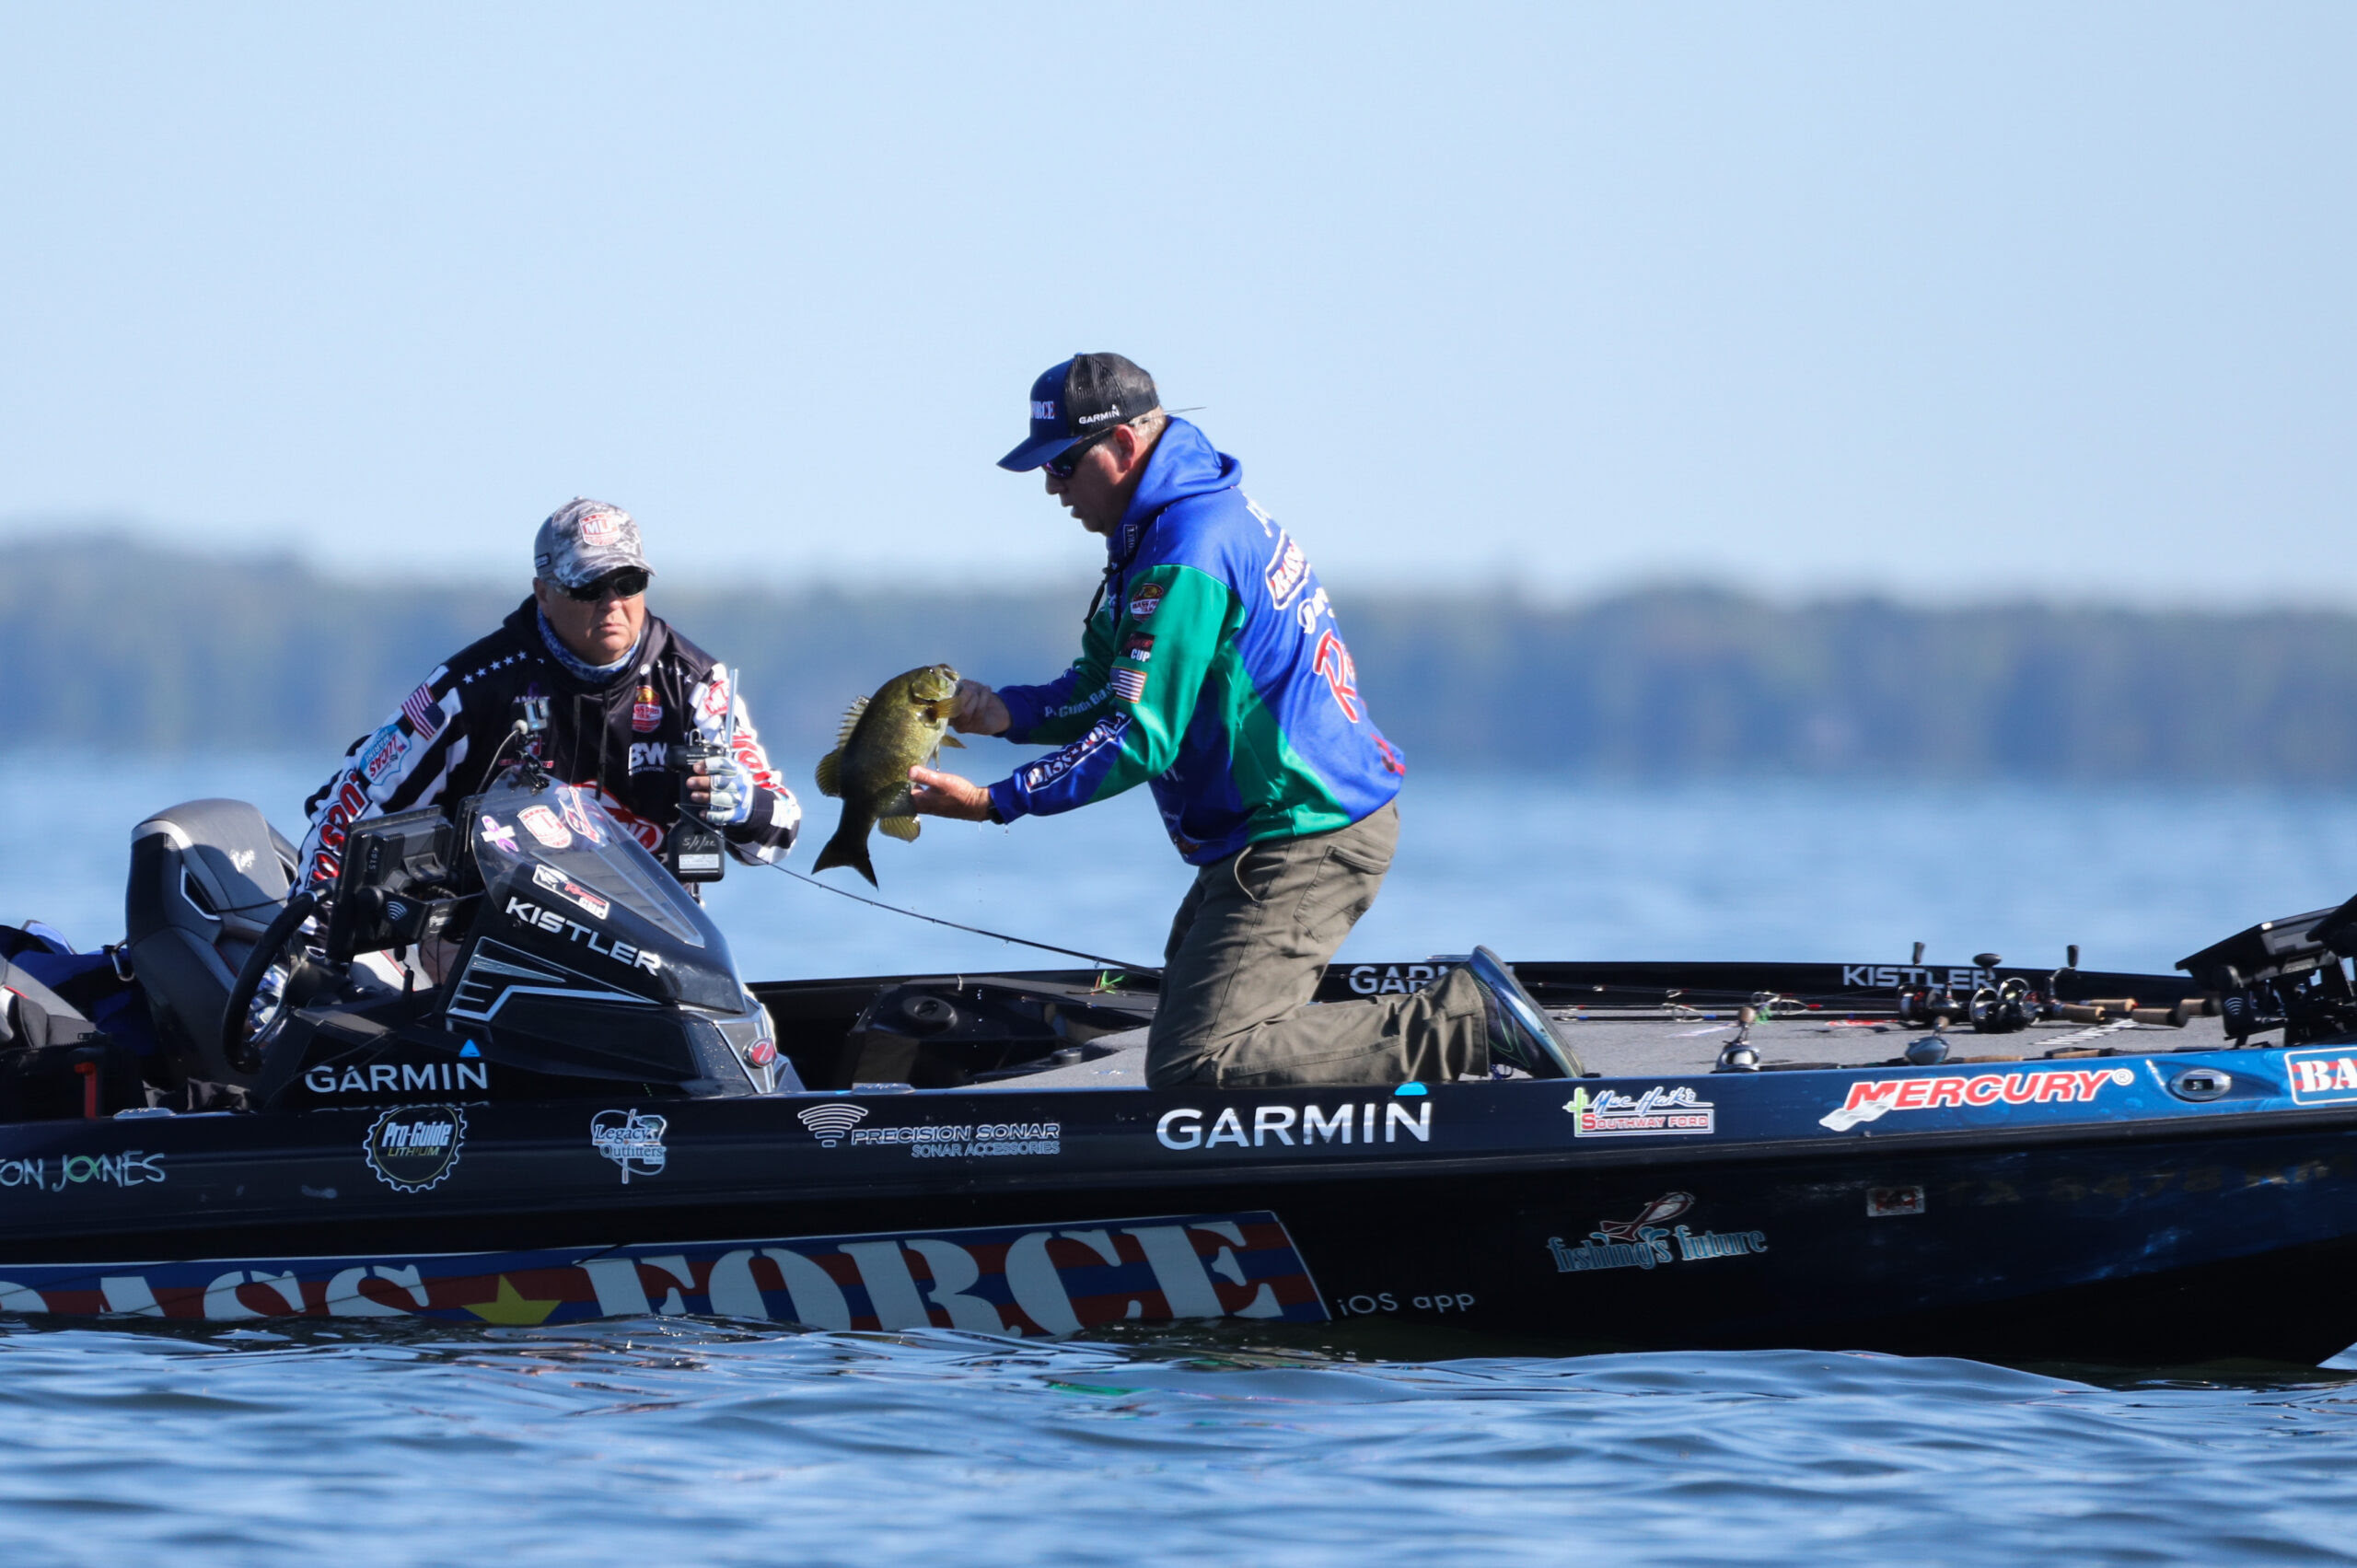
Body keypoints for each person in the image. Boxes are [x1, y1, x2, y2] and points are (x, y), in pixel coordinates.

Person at [905, 354, 1578, 1087]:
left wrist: (995, 800)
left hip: (1305, 833)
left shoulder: (1188, 549)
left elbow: (1140, 733)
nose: (1050, 486)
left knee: (1199, 1066)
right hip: (1277, 827)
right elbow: (1107, 681)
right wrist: (1007, 712)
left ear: (1125, 446)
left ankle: (1468, 1024)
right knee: (1191, 1038)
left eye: (1063, 463)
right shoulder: (1173, 523)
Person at [296, 498, 799, 894]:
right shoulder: (471, 687)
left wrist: (744, 806)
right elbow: (348, 808)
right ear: (543, 593)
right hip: (491, 942)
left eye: (628, 583)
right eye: (588, 587)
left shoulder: (696, 683)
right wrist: (305, 955)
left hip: (653, 946)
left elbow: (779, 833)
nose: (612, 604)